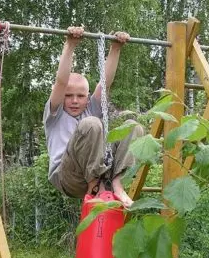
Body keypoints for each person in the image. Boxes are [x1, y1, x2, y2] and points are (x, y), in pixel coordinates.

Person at [42, 26, 144, 208]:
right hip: (68, 175)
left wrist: (116, 48)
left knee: (133, 127)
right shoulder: (55, 113)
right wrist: (70, 45)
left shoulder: (92, 108)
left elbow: (105, 83)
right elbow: (61, 81)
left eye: (80, 96)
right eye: (68, 95)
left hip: (100, 171)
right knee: (92, 124)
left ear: (87, 97)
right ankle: (94, 186)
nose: (74, 101)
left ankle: (117, 182)